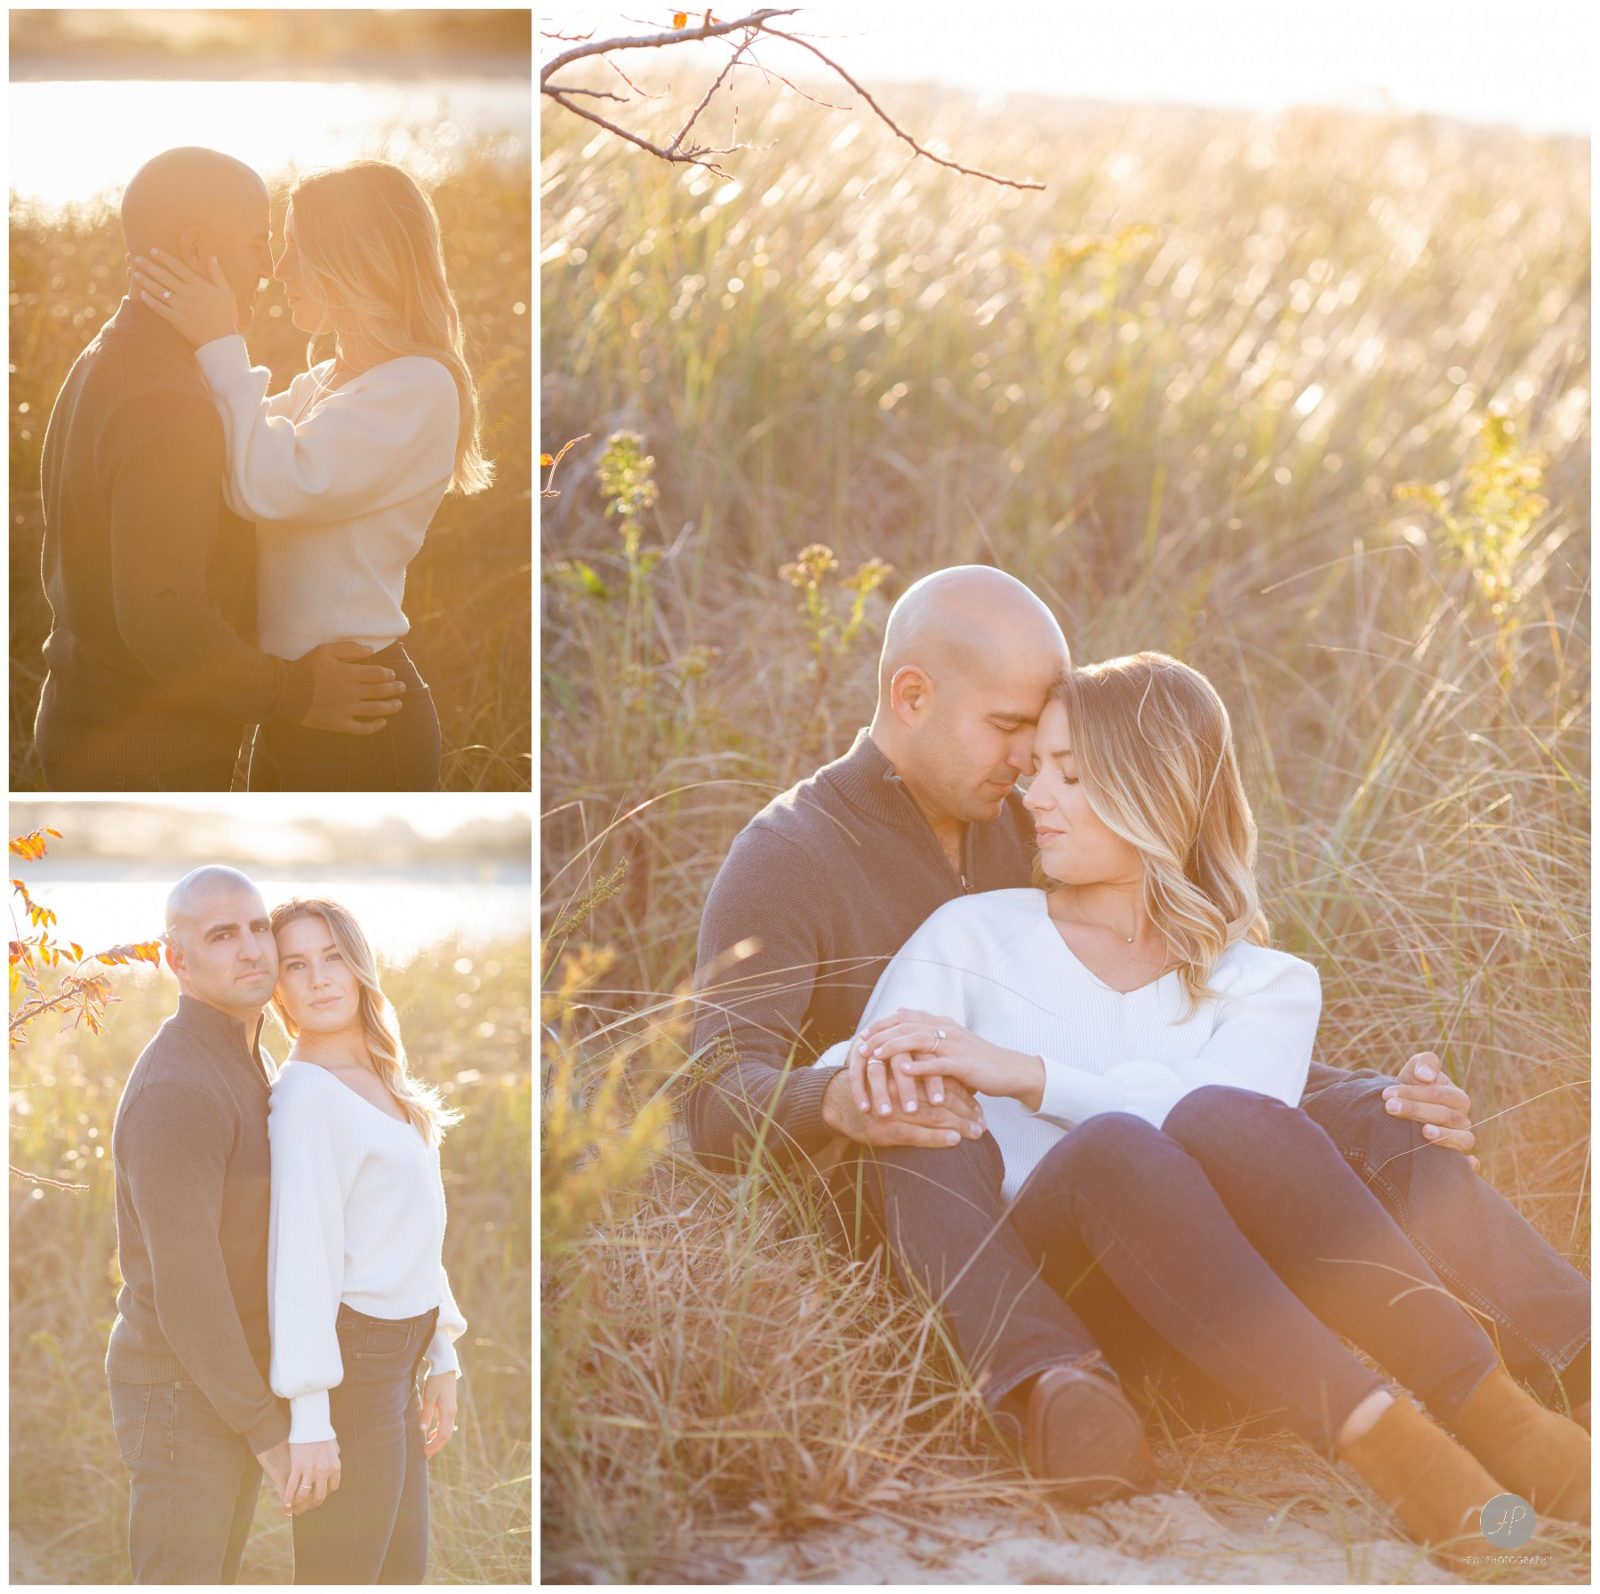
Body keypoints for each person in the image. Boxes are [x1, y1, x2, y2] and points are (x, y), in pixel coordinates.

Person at [685, 567, 1589, 1503]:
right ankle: (1053, 1388)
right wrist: (842, 1091)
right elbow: (709, 1092)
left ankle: (1566, 1372)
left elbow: (1161, 1043)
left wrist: (1362, 1100)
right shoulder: (793, 855)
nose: (1032, 775)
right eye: (1013, 736)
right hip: (956, 1211)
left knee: (1380, 1116)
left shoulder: (1025, 824)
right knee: (948, 1117)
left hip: (1154, 1191)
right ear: (911, 695)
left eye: (1057, 756)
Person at [35, 147, 406, 792]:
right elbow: (164, 615)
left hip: (94, 726)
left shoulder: (114, 352)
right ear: (198, 245)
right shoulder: (163, 399)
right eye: (258, 242)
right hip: (141, 753)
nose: (270, 266)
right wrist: (298, 692)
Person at [128, 158, 494, 792]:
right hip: (299, 700)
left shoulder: (418, 387)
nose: (276, 269)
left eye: (296, 249)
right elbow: (222, 451)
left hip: (363, 709)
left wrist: (220, 339)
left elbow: (263, 486)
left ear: (351, 259)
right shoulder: (323, 380)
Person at [265, 896, 467, 1584]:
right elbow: (301, 1265)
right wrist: (311, 1418)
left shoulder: (383, 1079)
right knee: (344, 1576)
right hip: (354, 1364)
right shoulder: (304, 1098)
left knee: (399, 1572)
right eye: (296, 964)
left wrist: (442, 1350)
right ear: (277, 986)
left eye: (331, 958)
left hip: (400, 1353)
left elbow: (416, 1232)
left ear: (358, 968)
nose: (319, 979)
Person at [107, 866, 298, 1583]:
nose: (253, 949)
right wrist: (266, 1428)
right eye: (223, 935)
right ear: (175, 959)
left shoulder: (249, 1056)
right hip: (180, 1394)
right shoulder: (178, 1089)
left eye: (258, 928)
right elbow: (189, 1288)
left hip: (227, 1384)